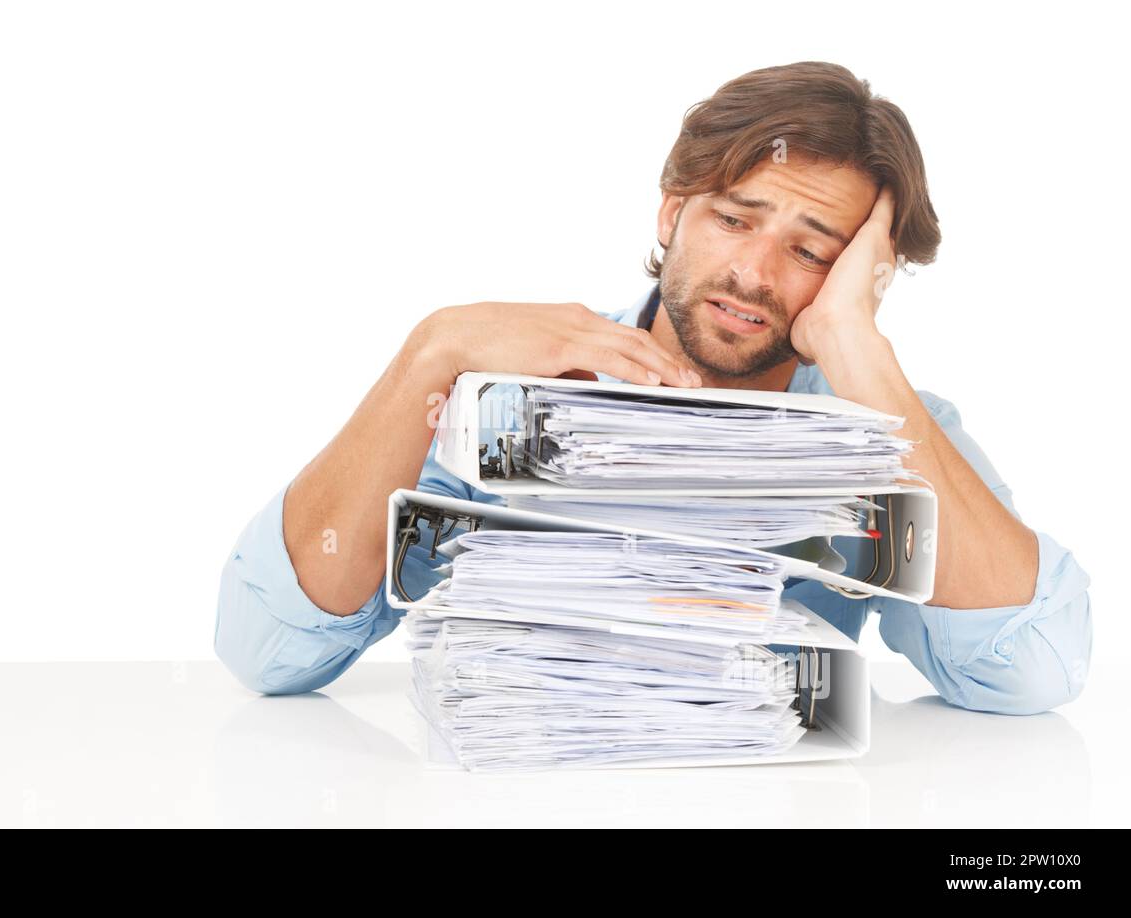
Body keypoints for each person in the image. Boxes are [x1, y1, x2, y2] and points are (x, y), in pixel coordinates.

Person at [214, 61, 1091, 715]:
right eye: (734, 219)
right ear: (673, 211)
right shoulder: (513, 397)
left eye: (811, 250)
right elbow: (268, 650)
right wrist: (428, 353)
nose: (753, 272)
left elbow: (1035, 667)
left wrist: (862, 352)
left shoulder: (886, 425)